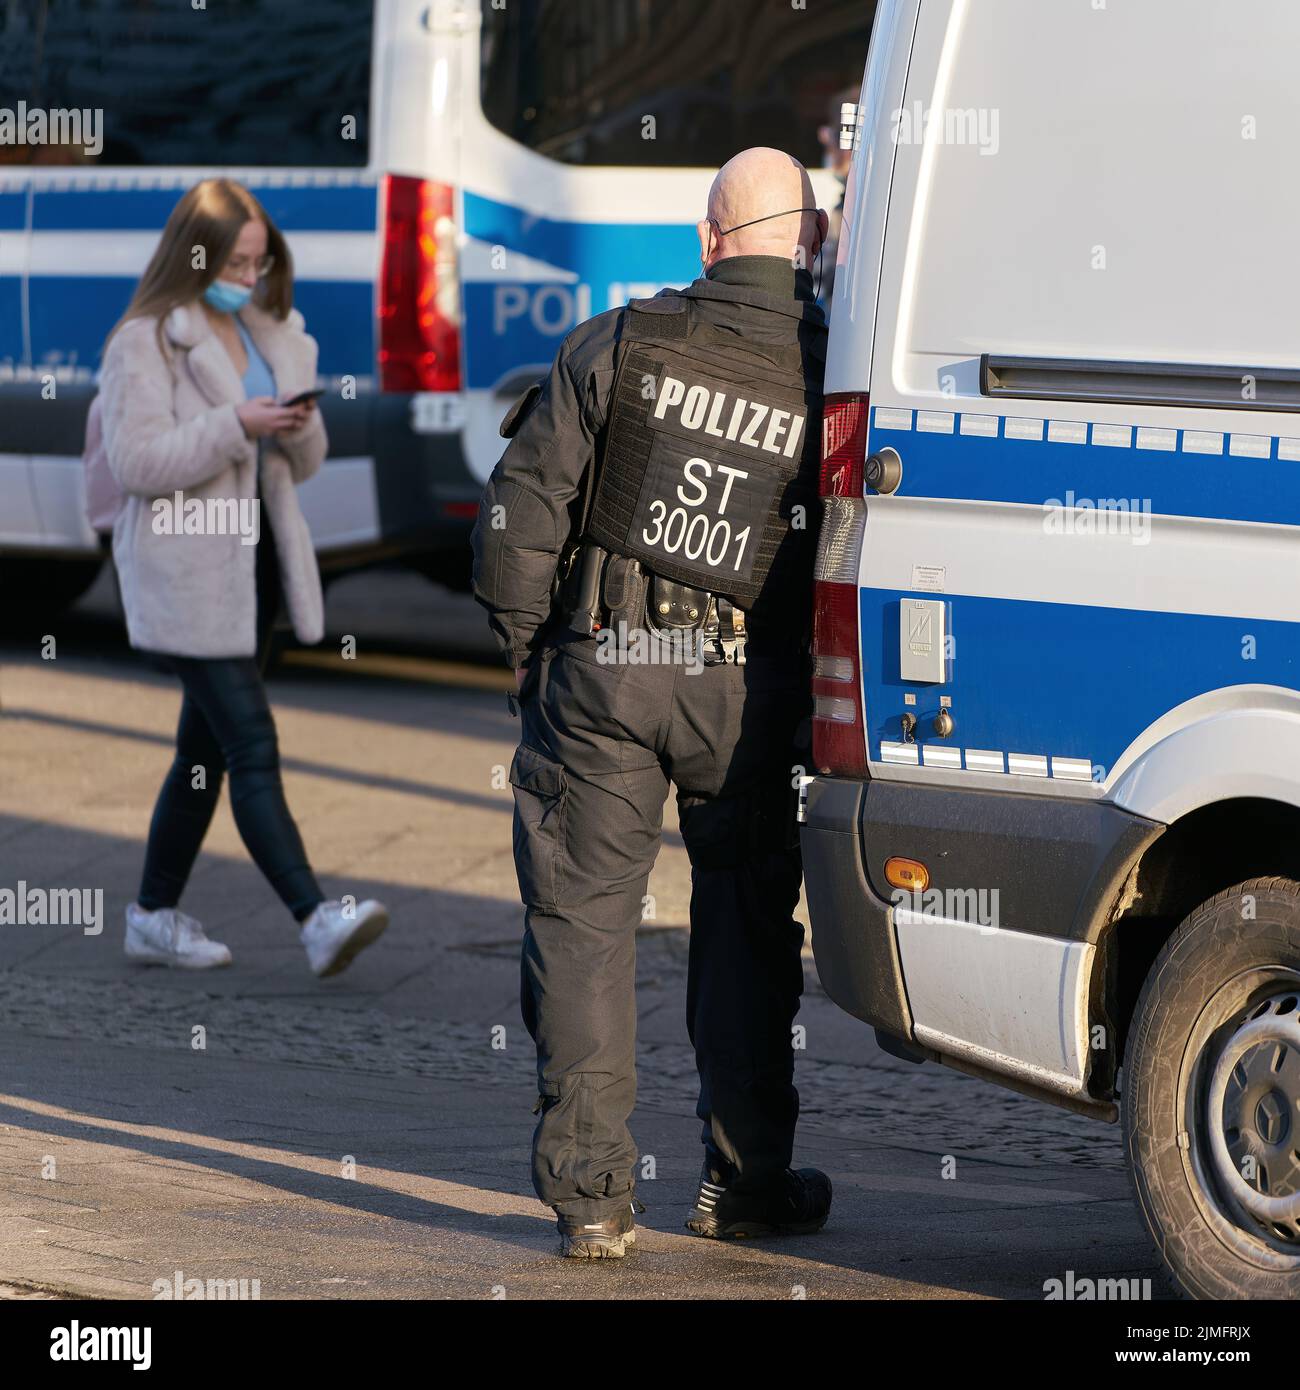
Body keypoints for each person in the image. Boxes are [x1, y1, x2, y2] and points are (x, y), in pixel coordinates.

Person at [472, 147, 833, 1258]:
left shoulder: (619, 342)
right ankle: (745, 1181)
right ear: (809, 242)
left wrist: (532, 652)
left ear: (707, 241)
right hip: (749, 688)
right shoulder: (833, 371)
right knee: (745, 928)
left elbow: (516, 519)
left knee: (583, 930)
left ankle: (591, 1200)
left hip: (608, 666)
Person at [99, 178, 388, 976]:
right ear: (193, 255)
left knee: (207, 747)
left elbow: (309, 459)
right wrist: (237, 424)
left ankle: (152, 915)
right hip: (183, 570)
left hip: (255, 568)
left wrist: (292, 424)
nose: (250, 276)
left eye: (260, 262)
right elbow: (137, 461)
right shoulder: (148, 339)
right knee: (252, 740)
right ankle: (315, 917)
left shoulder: (269, 333)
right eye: (235, 260)